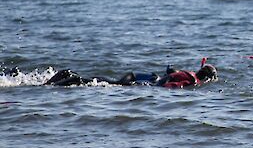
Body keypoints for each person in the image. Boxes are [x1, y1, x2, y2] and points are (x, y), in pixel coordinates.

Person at [45, 64, 217, 88]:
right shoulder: (192, 80)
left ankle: (63, 76)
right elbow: (169, 85)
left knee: (97, 80)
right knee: (85, 81)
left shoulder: (187, 72)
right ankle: (57, 82)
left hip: (139, 76)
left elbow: (169, 71)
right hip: (136, 80)